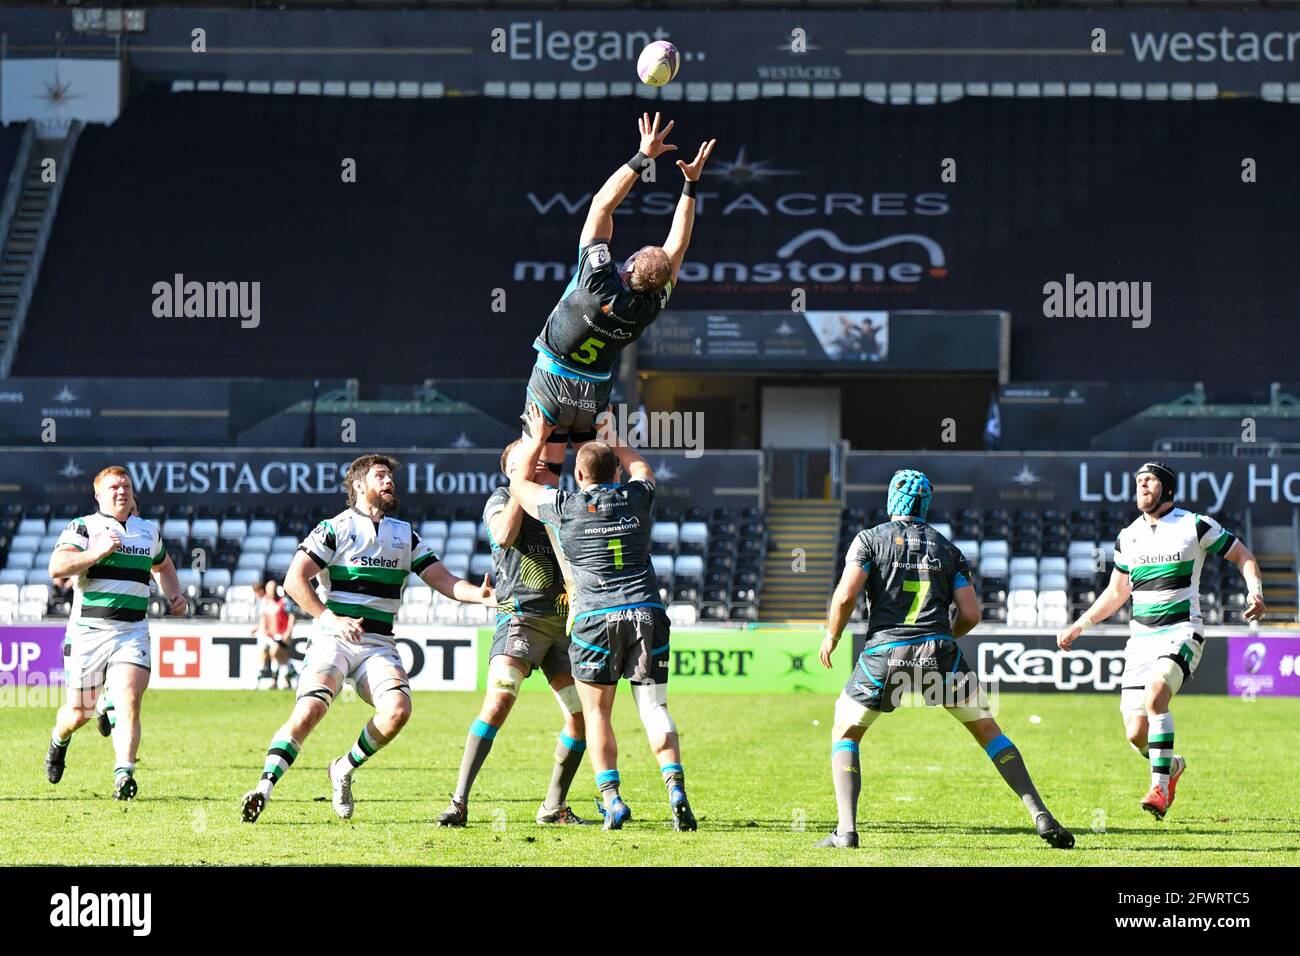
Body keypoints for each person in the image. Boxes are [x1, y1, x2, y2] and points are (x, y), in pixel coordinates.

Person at [818, 469, 1074, 850]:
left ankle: (846, 831)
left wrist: (833, 635)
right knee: (989, 730)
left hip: (885, 653)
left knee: (846, 731)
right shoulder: (947, 548)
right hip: (940, 654)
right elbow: (970, 615)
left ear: (891, 499)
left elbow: (844, 597)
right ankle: (1040, 814)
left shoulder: (869, 540)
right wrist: (940, 639)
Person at [240, 454, 494, 823]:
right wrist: (330, 617)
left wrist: (480, 595)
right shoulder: (335, 528)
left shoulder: (404, 534)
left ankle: (342, 767)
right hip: (333, 637)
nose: (389, 480)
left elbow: (445, 580)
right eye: (380, 475)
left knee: (398, 711)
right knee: (311, 710)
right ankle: (262, 789)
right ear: (359, 485)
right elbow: (295, 580)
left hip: (378, 645)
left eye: (391, 475)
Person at [509, 404, 696, 832]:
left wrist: (539, 437)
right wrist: (613, 436)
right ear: (616, 473)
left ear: (579, 477)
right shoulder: (637, 496)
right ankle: (676, 790)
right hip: (647, 611)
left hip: (596, 617)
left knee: (597, 715)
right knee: (654, 707)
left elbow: (519, 483)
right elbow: (644, 468)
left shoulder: (566, 507)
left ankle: (612, 800)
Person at [1057, 461, 1265, 819]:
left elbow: (1242, 555)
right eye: (1138, 481)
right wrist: (1080, 625)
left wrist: (1255, 592)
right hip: (1141, 641)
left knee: (1156, 695)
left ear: (1166, 488)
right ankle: (1173, 766)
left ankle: (1158, 787)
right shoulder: (1128, 536)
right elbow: (1116, 592)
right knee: (1135, 733)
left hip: (1182, 632)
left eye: (1149, 480)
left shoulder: (1194, 525)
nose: (1142, 485)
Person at [523, 112, 715, 475]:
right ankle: (592, 526)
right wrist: (690, 186)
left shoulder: (597, 281)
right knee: (593, 472)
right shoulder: (650, 305)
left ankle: (541, 530)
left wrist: (643, 157)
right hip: (592, 393)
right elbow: (679, 247)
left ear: (627, 267)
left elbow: (601, 205)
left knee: (543, 468)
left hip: (552, 375)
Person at [436, 439, 591, 828]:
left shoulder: (554, 500)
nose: (538, 465)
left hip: (562, 624)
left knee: (580, 717)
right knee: (499, 703)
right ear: (512, 470)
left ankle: (553, 807)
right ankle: (459, 802)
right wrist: (521, 489)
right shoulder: (500, 498)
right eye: (527, 462)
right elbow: (504, 536)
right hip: (519, 617)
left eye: (538, 460)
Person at [45, 466, 187, 800]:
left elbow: (163, 565)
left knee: (129, 701)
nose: (121, 491)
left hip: (132, 632)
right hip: (89, 632)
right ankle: (58, 739)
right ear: (98, 495)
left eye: (126, 486)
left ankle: (124, 775)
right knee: (79, 712)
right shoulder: (85, 526)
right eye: (113, 487)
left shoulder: (147, 531)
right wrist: (97, 553)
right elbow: (57, 566)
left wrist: (174, 594)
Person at [260, 578, 297, 690]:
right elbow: (263, 617)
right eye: (268, 589)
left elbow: (292, 616)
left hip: (282, 635)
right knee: (279, 658)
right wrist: (260, 628)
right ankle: (291, 675)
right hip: (270, 635)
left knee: (274, 652)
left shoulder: (284, 602)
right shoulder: (265, 602)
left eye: (272, 589)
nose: (270, 592)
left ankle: (275, 681)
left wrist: (289, 631)